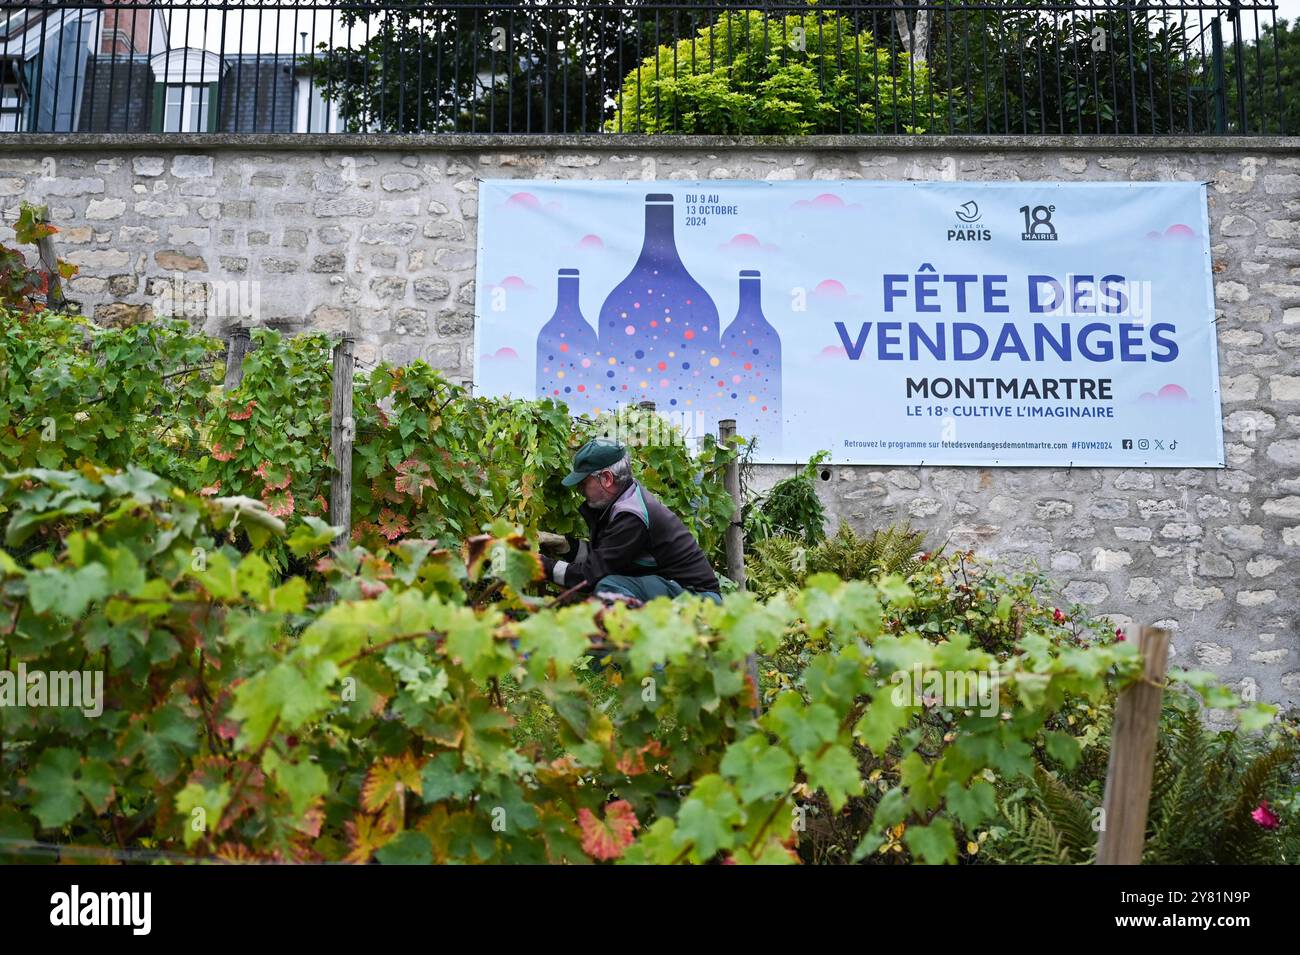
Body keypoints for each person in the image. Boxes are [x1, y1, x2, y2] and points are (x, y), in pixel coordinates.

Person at [540, 437, 724, 606]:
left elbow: (591, 575)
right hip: (680, 591)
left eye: (583, 482)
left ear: (606, 478)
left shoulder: (631, 516)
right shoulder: (625, 500)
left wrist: (539, 564)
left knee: (608, 588)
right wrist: (565, 545)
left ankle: (633, 640)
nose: (579, 489)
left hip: (700, 601)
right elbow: (605, 558)